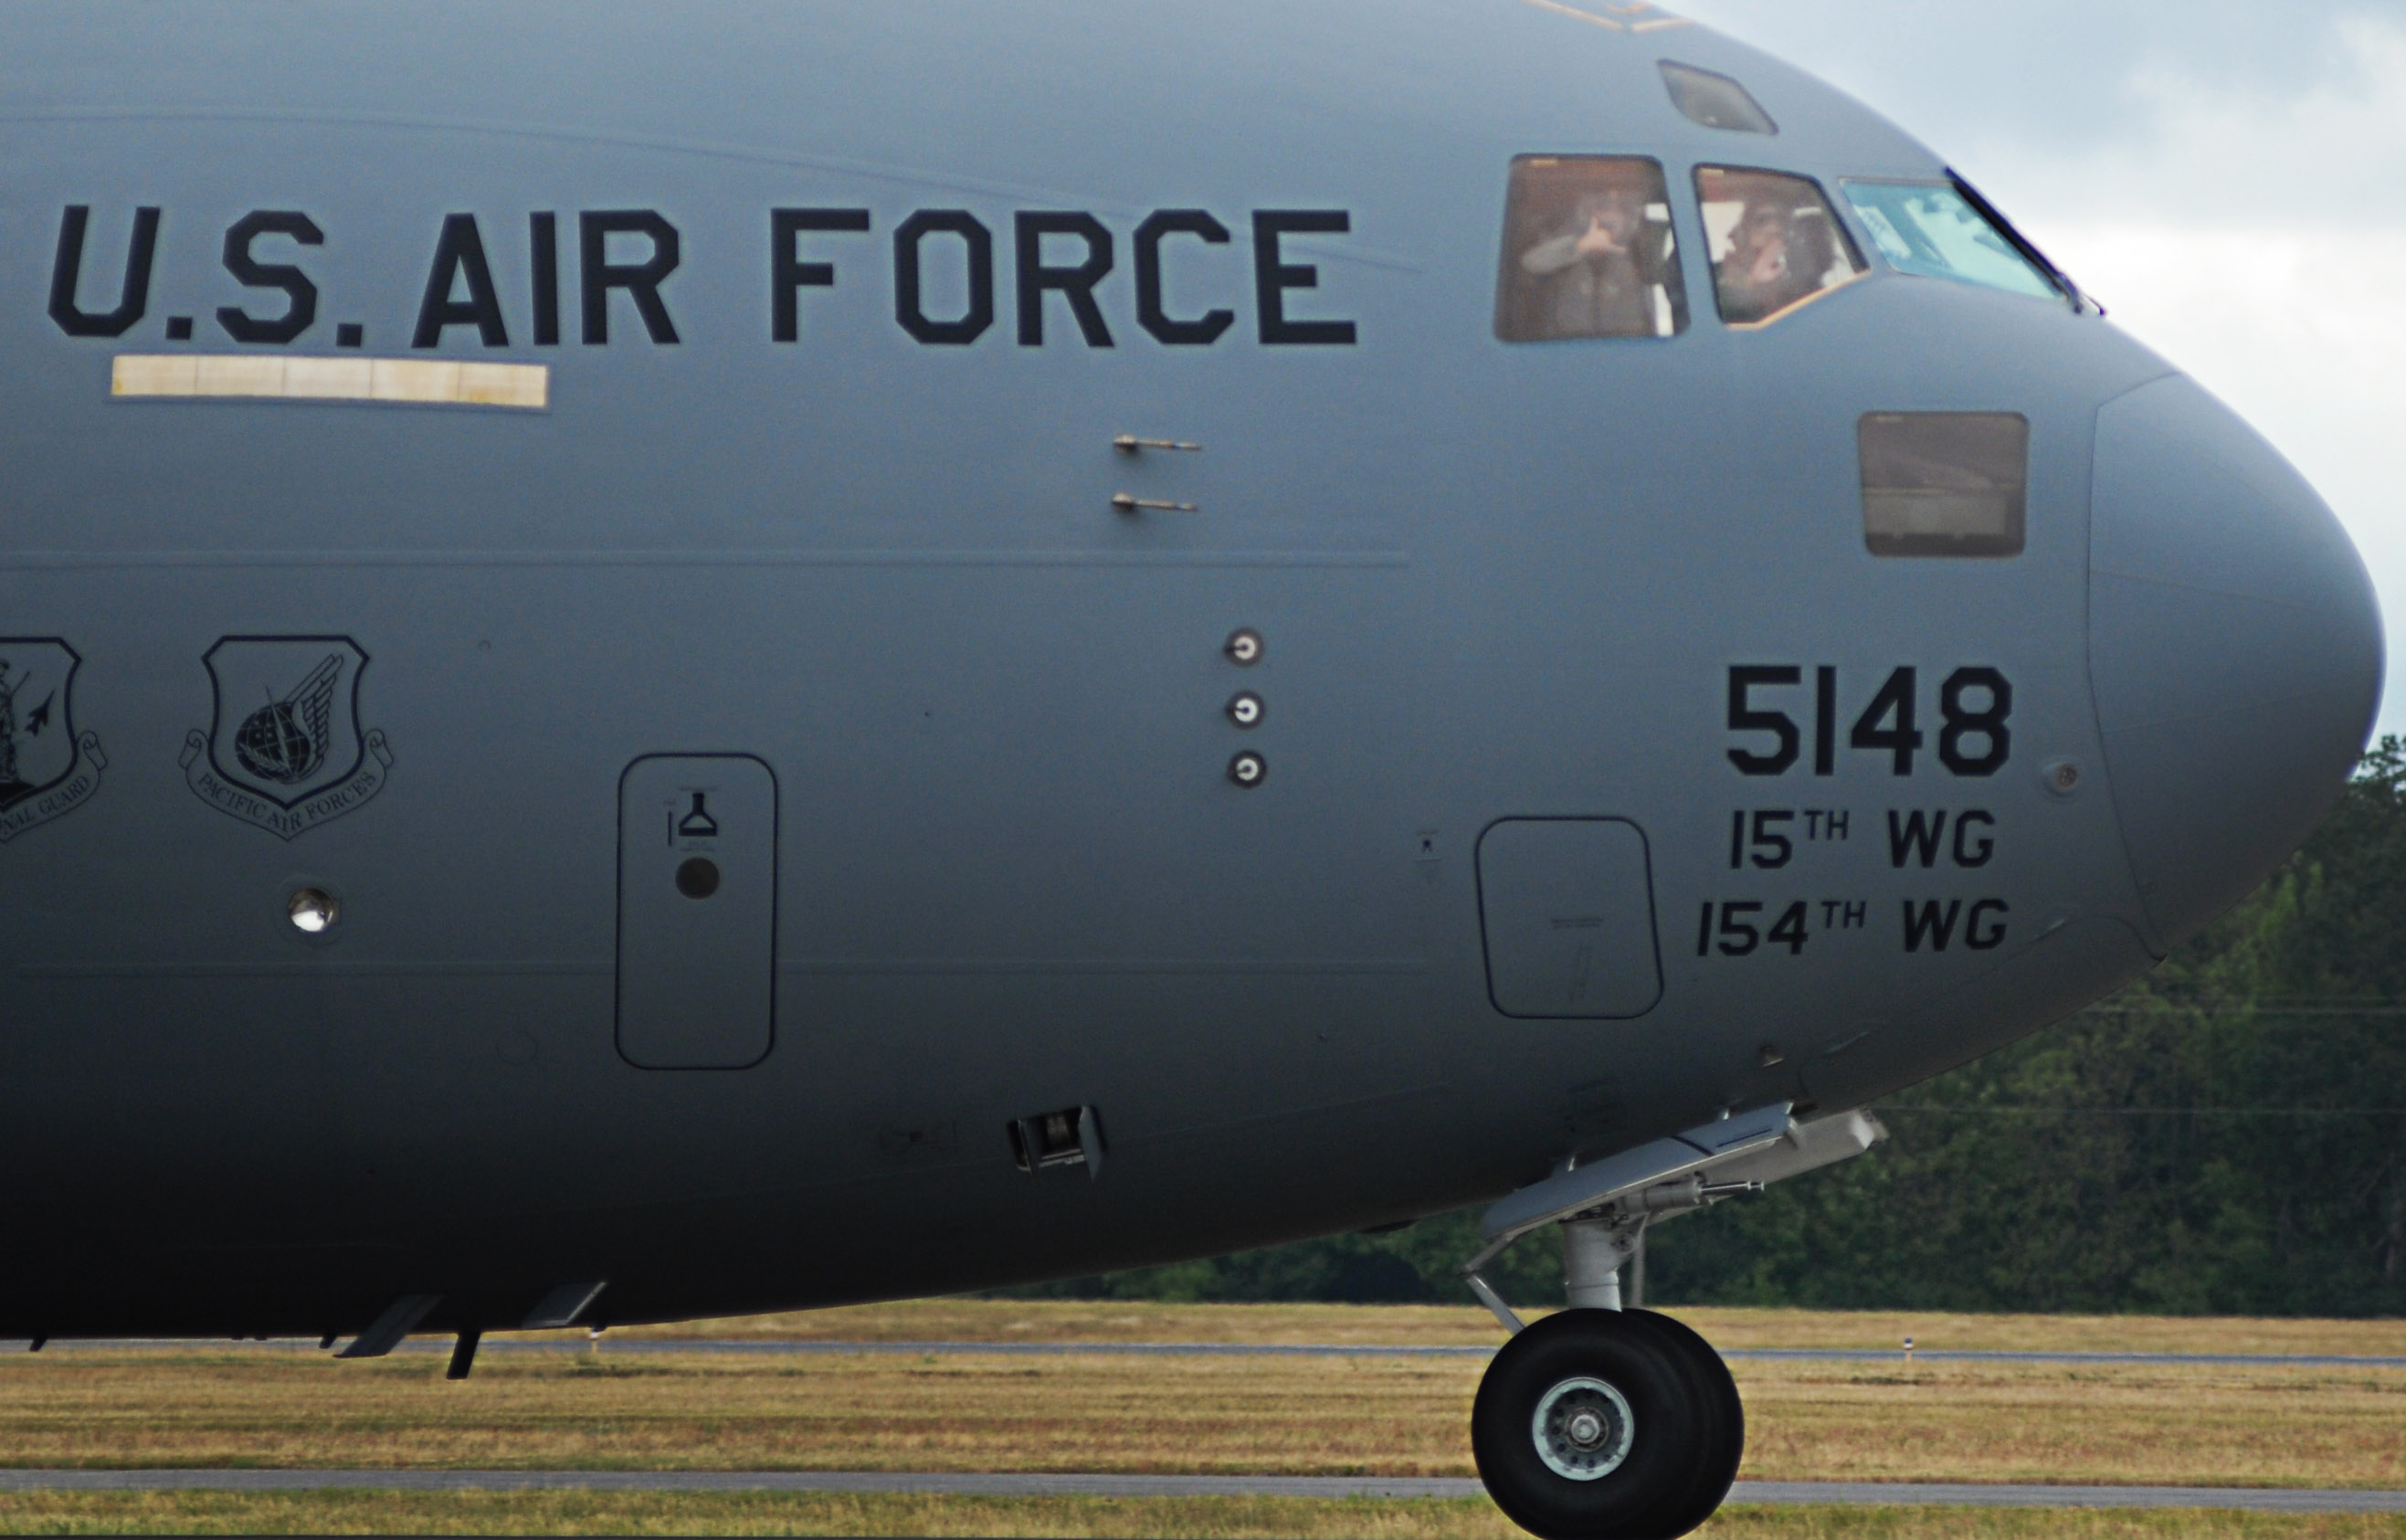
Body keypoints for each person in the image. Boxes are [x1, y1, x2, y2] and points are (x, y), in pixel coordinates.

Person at [1515, 184, 1653, 338]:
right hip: (1563, 348)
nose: (1610, 216)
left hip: (1624, 350)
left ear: (1627, 219)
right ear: (1589, 215)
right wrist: (1581, 246)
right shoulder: (1564, 244)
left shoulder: (1638, 255)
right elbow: (1530, 263)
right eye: (1602, 208)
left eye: (1619, 210)